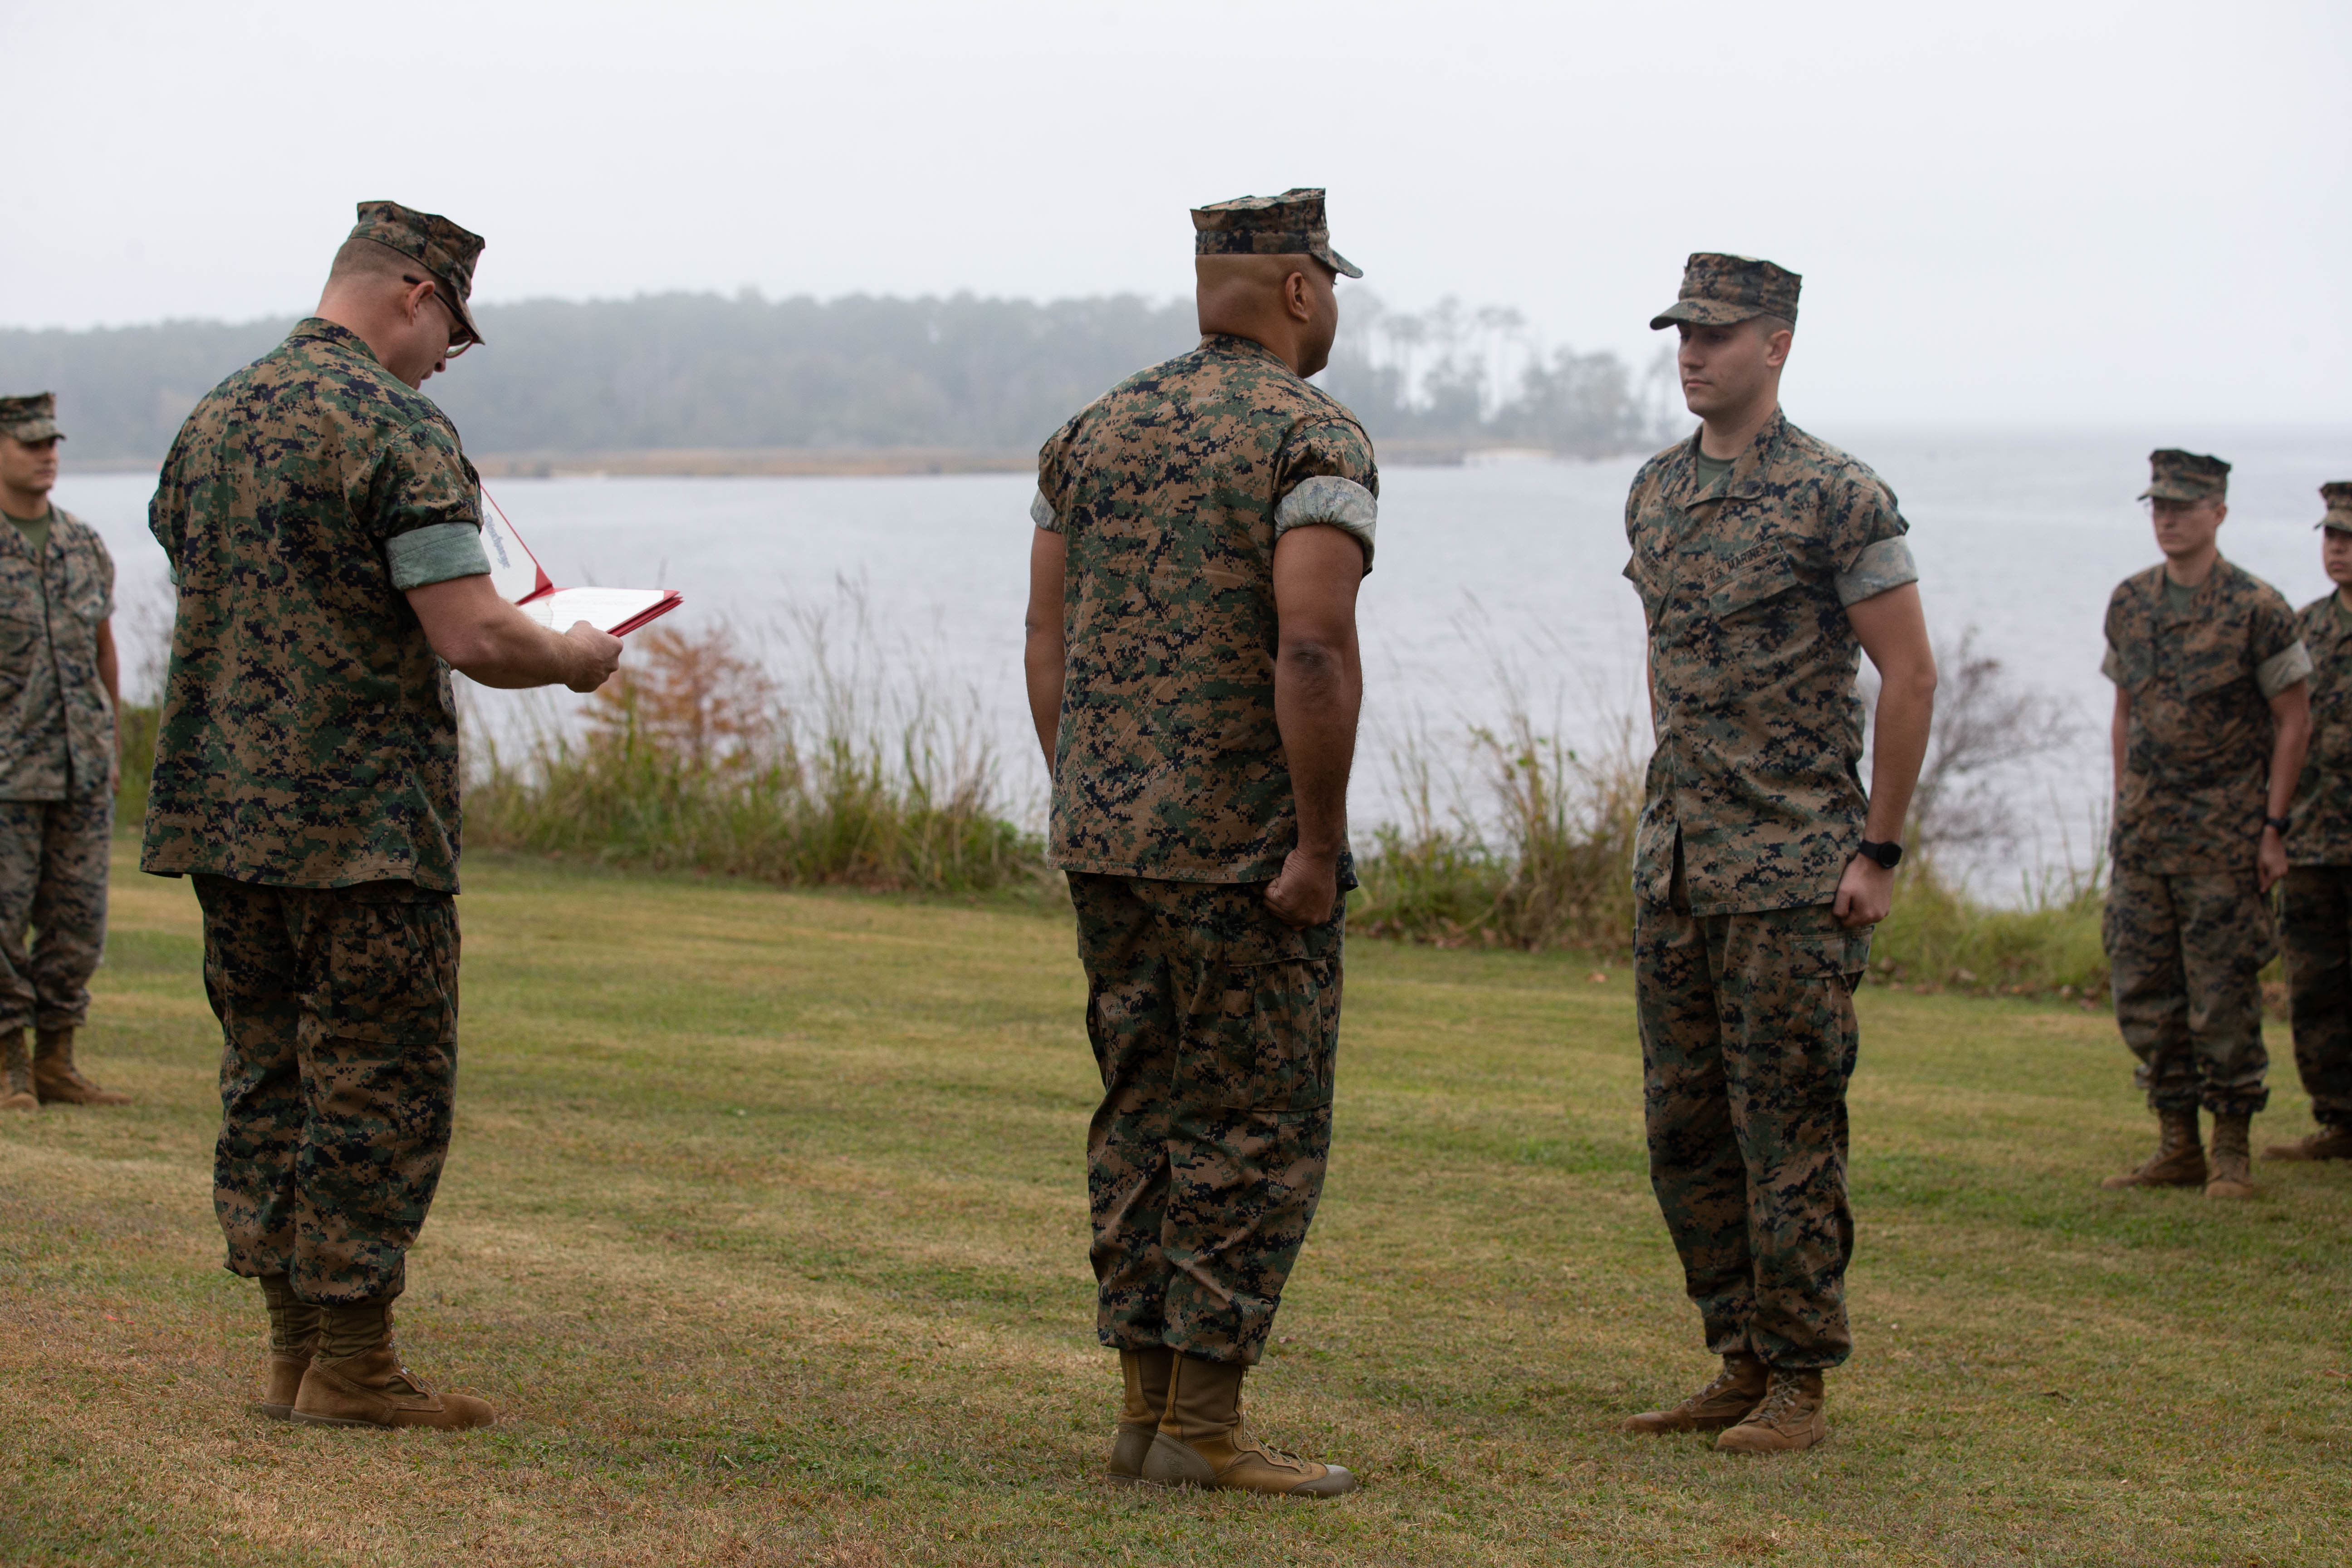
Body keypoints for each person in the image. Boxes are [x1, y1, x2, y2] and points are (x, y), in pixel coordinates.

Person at [143, 201, 622, 1430]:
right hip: (362, 830)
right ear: (416, 295)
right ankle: (352, 1366)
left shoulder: (215, 419)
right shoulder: (394, 426)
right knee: (377, 1085)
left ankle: (292, 1357)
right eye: (453, 333)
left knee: (267, 1076)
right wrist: (575, 655)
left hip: (224, 818)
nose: (447, 359)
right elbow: (474, 634)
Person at [1023, 188, 1373, 1498]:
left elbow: (1045, 640)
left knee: (1141, 1111)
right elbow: (1313, 647)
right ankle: (1205, 1428)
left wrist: (1090, 800)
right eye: (1329, 286)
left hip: (1108, 843)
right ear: (1301, 287)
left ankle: (1144, 1413)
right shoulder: (1312, 436)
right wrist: (1317, 846)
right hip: (1243, 856)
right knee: (1252, 1123)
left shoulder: (1090, 432)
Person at [1617, 253, 1937, 1454]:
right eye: (1683, 333)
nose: (1694, 353)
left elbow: (1910, 674)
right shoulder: (1655, 490)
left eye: (1717, 333)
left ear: (1778, 344)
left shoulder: (1838, 496)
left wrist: (1879, 850)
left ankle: (1799, 1376)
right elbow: (1663, 660)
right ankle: (1738, 1356)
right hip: (1680, 866)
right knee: (1684, 1130)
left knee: (1788, 1130)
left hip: (1794, 869)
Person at [2097, 450, 2308, 1200]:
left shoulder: (2258, 607)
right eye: (2158, 506)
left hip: (2224, 837)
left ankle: (2231, 1150)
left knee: (2222, 996)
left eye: (2183, 506)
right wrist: (2122, 804)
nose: (2168, 519)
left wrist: (2274, 827)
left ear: (2218, 512)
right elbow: (2124, 711)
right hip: (2145, 837)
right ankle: (2176, 1143)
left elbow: (2294, 720)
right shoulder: (2131, 602)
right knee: (2145, 991)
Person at [0, 392, 126, 1111]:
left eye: (52, 442)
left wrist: (111, 742)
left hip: (81, 764)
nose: (47, 454)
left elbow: (103, 649)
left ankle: (56, 1060)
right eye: (30, 442)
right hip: (7, 772)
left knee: (78, 921)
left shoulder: (84, 544)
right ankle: (8, 1064)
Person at [2268, 480, 2352, 1163]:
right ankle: (2341, 1119)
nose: (2338, 549)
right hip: (2314, 839)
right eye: (2331, 536)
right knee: (2317, 986)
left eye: (2350, 537)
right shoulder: (2304, 628)